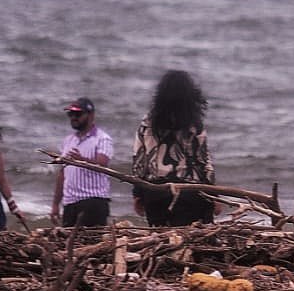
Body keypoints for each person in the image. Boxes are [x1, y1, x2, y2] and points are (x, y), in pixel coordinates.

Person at [131, 70, 216, 226]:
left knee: (161, 241)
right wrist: (214, 196)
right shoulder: (195, 124)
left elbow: (139, 163)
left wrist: (138, 194)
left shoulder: (148, 123)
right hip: (191, 193)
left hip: (156, 193)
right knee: (190, 241)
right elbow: (204, 163)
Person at [51, 97, 114, 226]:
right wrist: (55, 204)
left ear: (91, 115)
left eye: (78, 114)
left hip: (93, 201)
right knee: (68, 244)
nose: (73, 117)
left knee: (92, 243)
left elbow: (102, 164)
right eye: (70, 114)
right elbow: (62, 174)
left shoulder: (102, 139)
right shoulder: (68, 141)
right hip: (70, 203)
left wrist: (81, 161)